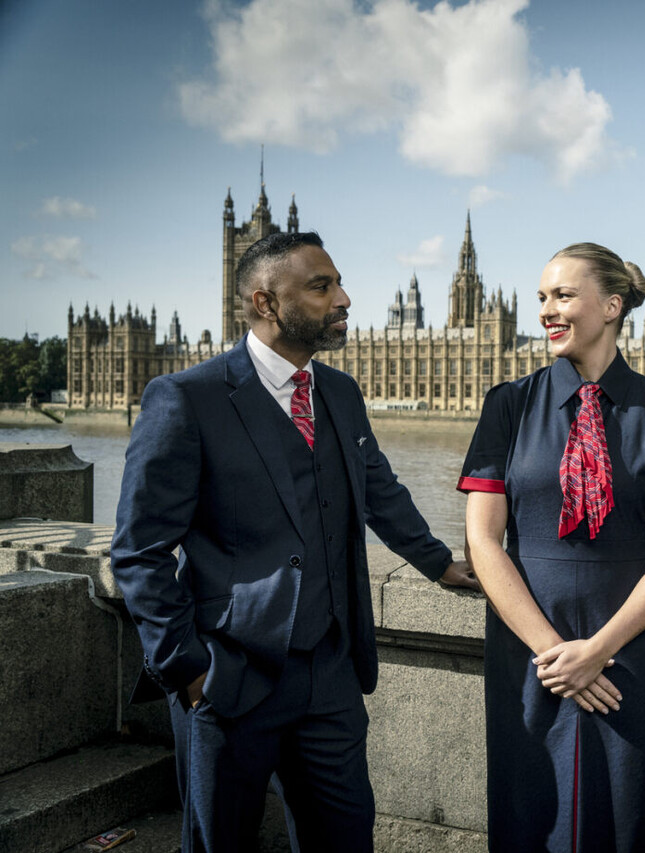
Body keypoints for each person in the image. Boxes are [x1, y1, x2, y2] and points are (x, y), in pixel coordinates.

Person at [110, 231, 477, 853]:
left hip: (330, 672)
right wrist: (188, 669)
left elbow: (378, 490)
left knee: (345, 835)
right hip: (230, 672)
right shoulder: (186, 398)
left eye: (338, 283)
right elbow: (139, 551)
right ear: (264, 302)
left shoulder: (339, 392)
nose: (344, 299)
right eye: (321, 286)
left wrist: (440, 562)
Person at [459, 242, 645, 852]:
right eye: (541, 297)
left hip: (628, 643)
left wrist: (598, 650)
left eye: (563, 295)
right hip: (530, 645)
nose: (547, 309)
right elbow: (482, 539)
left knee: (626, 815)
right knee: (528, 813)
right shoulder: (509, 405)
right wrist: (557, 654)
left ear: (612, 305)